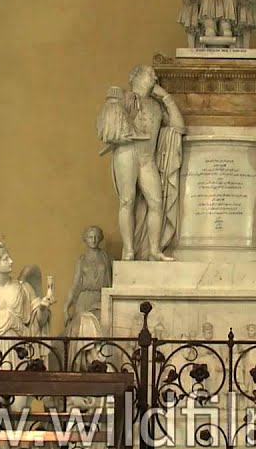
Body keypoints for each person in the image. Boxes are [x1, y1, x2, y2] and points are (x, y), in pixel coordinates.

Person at [98, 65, 186, 260]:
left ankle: (154, 250)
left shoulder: (156, 106)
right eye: (150, 74)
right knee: (127, 200)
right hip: (127, 153)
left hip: (147, 159)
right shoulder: (124, 99)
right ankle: (129, 250)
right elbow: (107, 127)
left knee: (156, 202)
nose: (155, 78)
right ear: (137, 77)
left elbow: (179, 126)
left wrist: (166, 97)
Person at [0, 242, 53, 369]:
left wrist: (43, 308)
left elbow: (39, 322)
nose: (11, 261)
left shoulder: (24, 289)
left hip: (19, 350)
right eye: (5, 259)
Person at [65, 226, 113, 370]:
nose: (94, 240)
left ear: (100, 238)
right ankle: (83, 368)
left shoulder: (107, 258)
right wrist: (66, 306)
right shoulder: (82, 260)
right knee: (83, 331)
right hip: (84, 299)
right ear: (85, 239)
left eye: (96, 237)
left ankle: (98, 365)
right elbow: (75, 284)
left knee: (100, 333)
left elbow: (116, 280)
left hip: (101, 298)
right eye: (90, 237)